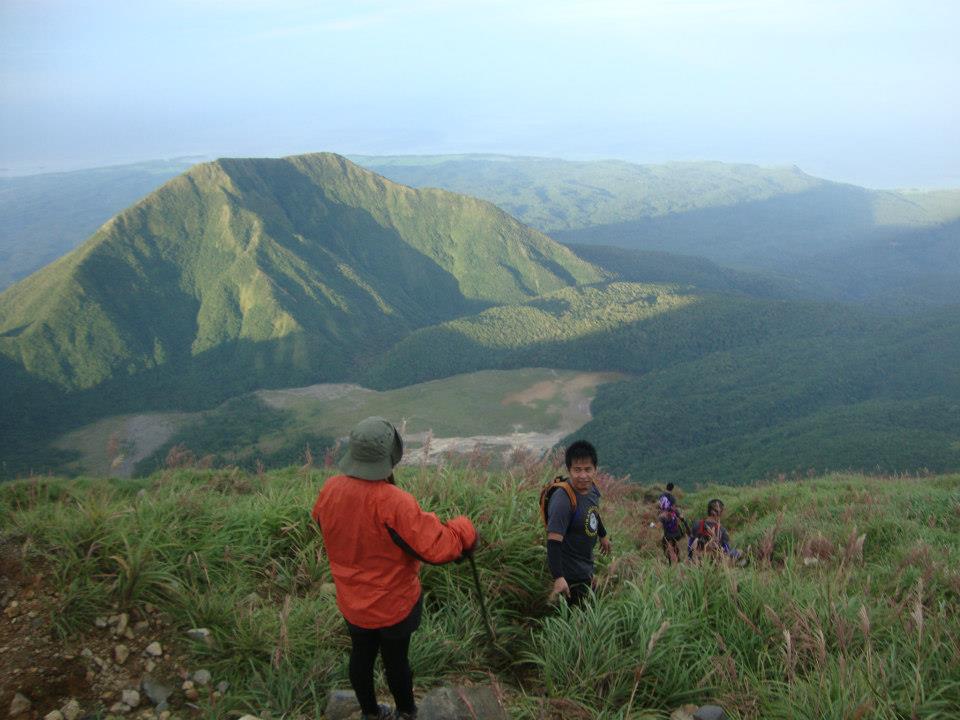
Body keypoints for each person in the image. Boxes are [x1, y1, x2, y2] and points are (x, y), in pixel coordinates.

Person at [312, 417, 477, 720]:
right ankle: (406, 712)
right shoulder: (394, 502)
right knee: (396, 661)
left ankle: (370, 713)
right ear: (390, 455)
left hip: (352, 601)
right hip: (394, 605)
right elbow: (437, 547)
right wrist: (464, 530)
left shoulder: (330, 490)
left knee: (361, 655)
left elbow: (323, 522)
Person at [546, 440, 611, 605]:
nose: (583, 476)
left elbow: (593, 511)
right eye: (577, 470)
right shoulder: (563, 499)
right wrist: (559, 578)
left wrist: (602, 535)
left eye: (588, 469)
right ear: (569, 470)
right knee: (579, 621)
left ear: (595, 469)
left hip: (586, 566)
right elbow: (553, 542)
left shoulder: (592, 489)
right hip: (571, 576)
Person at [687, 498, 742, 562]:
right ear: (717, 512)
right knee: (739, 551)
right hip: (714, 561)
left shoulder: (696, 525)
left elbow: (689, 546)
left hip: (696, 560)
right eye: (722, 511)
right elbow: (726, 550)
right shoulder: (722, 530)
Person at [657, 483, 689, 564]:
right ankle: (676, 559)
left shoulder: (661, 496)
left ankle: (672, 561)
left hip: (665, 521)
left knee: (668, 542)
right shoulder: (672, 498)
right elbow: (674, 509)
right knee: (672, 542)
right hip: (673, 522)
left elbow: (660, 507)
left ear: (666, 487)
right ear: (672, 489)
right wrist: (681, 517)